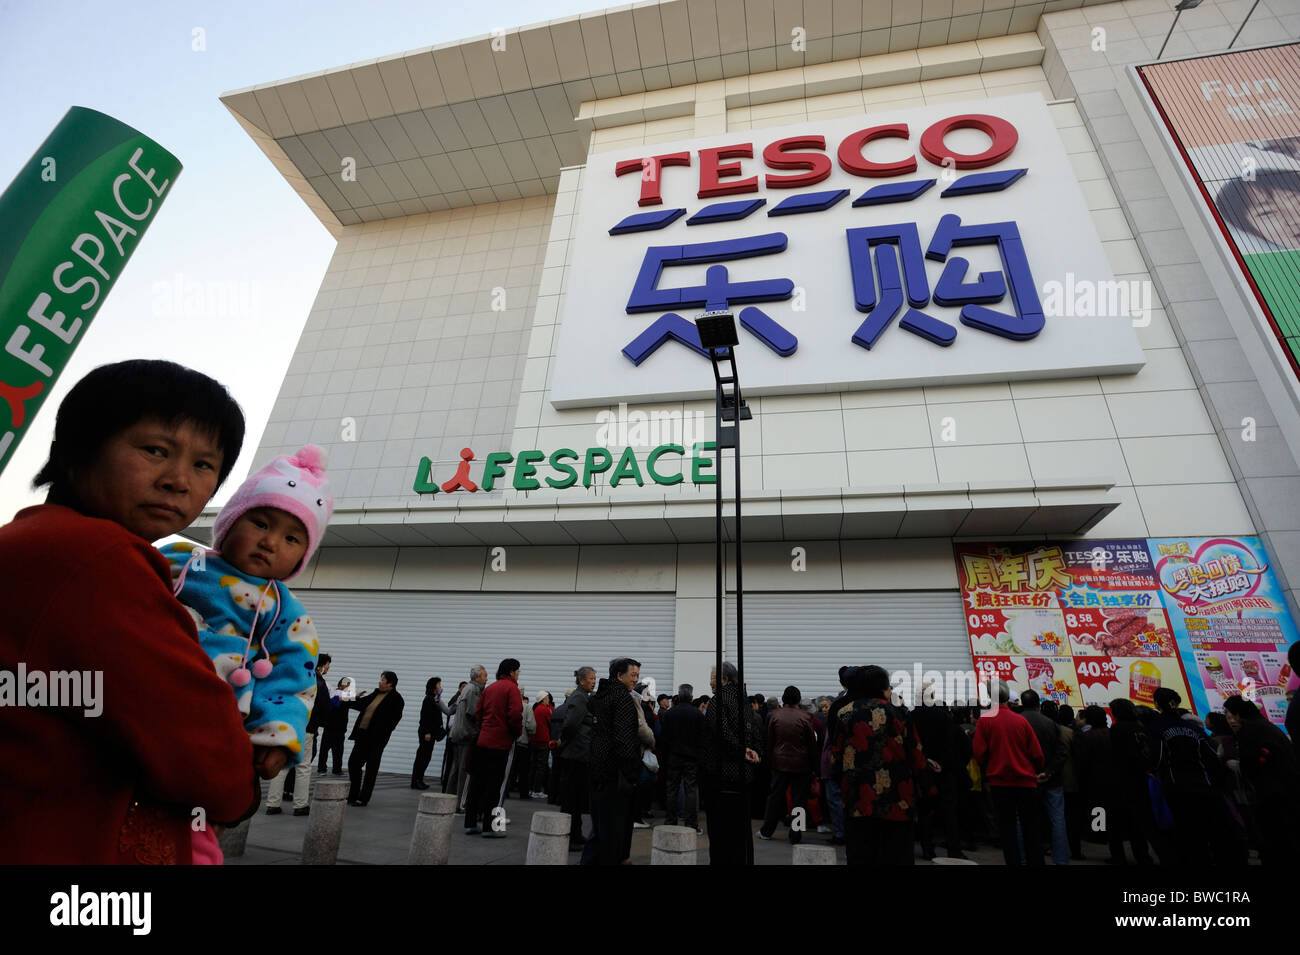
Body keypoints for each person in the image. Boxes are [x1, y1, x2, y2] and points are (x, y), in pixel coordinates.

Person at [0, 359, 257, 864]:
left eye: (205, 465)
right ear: (77, 450)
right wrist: (243, 784)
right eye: (155, 450)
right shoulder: (96, 556)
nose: (179, 480)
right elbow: (207, 758)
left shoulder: (32, 541)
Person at [160, 443, 334, 830]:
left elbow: (294, 679)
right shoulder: (183, 559)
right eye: (261, 523)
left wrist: (276, 737)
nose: (271, 542)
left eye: (292, 539)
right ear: (231, 520)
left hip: (219, 728)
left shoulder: (286, 612)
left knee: (195, 827)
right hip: (146, 702)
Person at [832, 666, 928, 865]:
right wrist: (924, 791)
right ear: (884, 688)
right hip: (898, 802)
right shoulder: (900, 713)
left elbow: (836, 757)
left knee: (861, 855)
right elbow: (917, 756)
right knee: (896, 855)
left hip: (858, 801)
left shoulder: (845, 713)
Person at [1149, 687, 1229, 864]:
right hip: (1203, 785)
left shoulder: (1157, 725)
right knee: (1202, 831)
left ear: (1155, 703)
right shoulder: (1192, 727)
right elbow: (1211, 755)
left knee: (1182, 830)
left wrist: (1153, 772)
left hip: (1176, 786)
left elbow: (1158, 757)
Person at [972, 681, 1044, 865]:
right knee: (1032, 828)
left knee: (1007, 828)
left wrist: (990, 764)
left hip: (999, 783)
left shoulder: (985, 721)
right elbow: (1037, 754)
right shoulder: (1021, 721)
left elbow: (979, 753)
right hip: (1026, 782)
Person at [699, 662, 762, 865]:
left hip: (721, 777)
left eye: (712, 677)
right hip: (744, 776)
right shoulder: (744, 700)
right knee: (740, 832)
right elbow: (753, 732)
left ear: (723, 679)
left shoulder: (719, 701)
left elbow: (721, 734)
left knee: (720, 833)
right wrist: (751, 751)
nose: (710, 682)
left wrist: (742, 751)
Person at [1224, 694, 1300, 865]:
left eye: (1232, 714)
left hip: (1272, 796)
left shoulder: (1250, 731)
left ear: (1239, 713)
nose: (1231, 720)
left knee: (1278, 843)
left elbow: (1253, 765)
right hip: (1286, 791)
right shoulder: (1266, 726)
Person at [583, 658, 643, 865]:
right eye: (632, 675)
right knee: (613, 834)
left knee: (599, 831)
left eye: (637, 675)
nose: (636, 680)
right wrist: (632, 773)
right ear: (619, 676)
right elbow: (624, 741)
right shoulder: (623, 699)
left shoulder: (600, 696)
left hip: (597, 769)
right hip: (615, 774)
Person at [464, 659, 523, 836]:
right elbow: (514, 714)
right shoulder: (511, 688)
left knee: (477, 782)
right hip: (500, 743)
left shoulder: (490, 688)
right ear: (512, 672)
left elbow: (478, 713)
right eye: (518, 671)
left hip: (482, 741)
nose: (518, 674)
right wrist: (515, 733)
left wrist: (486, 727)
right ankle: (489, 828)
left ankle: (470, 823)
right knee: (494, 784)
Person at [273, 653, 332, 815]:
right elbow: (325, 706)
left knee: (282, 766)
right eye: (327, 665)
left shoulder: (295, 678)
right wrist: (323, 721)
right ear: (320, 665)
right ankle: (300, 805)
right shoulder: (318, 682)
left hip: (288, 726)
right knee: (303, 767)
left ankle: (272, 803)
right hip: (307, 728)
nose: (328, 668)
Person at [757, 685, 818, 844]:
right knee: (799, 801)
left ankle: (767, 830)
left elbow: (769, 741)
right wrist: (813, 765)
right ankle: (796, 835)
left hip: (779, 764)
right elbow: (812, 744)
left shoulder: (775, 716)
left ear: (783, 699)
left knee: (774, 798)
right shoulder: (806, 717)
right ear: (798, 699)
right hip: (801, 765)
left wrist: (770, 761)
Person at [1017, 689, 1070, 865]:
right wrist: (1048, 772)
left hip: (1024, 779)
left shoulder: (1017, 723)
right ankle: (1061, 859)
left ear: (1022, 704)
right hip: (1051, 779)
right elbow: (1062, 752)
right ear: (1038, 704)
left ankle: (1022, 856)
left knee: (1020, 818)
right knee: (1057, 819)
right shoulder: (1051, 724)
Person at [344, 671, 405, 806]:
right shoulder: (376, 694)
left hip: (377, 740)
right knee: (353, 764)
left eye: (383, 680)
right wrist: (351, 698)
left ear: (390, 683)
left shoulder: (396, 699)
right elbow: (361, 704)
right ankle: (353, 794)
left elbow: (394, 720)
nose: (380, 682)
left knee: (371, 769)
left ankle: (363, 797)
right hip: (362, 736)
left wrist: (382, 732)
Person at [559, 666, 597, 851]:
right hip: (575, 754)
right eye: (591, 678)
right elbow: (571, 725)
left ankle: (576, 833)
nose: (594, 681)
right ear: (582, 680)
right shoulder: (579, 697)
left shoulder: (584, 697)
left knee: (576, 797)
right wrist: (564, 742)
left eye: (594, 678)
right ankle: (570, 836)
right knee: (571, 798)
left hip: (580, 754)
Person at [661, 683, 702, 831]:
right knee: (691, 789)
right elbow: (702, 737)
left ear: (678, 696)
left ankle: (670, 820)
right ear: (691, 697)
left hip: (673, 756)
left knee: (672, 789)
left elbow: (664, 738)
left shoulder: (669, 714)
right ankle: (691, 823)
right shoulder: (697, 714)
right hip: (691, 757)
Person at [447, 664, 487, 808]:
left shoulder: (466, 689)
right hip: (466, 735)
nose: (486, 679)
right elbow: (473, 713)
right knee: (464, 770)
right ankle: (459, 804)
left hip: (457, 734)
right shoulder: (473, 690)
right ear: (477, 677)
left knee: (455, 769)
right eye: (484, 676)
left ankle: (447, 800)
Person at [411, 677, 448, 789]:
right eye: (439, 685)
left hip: (431, 733)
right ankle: (416, 781)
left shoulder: (434, 699)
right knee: (422, 757)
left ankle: (419, 780)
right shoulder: (428, 699)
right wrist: (427, 732)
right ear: (433, 687)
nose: (440, 687)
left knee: (426, 757)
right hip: (427, 734)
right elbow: (425, 717)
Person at [319, 676, 354, 775]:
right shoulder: (334, 693)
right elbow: (336, 702)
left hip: (340, 728)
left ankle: (336, 769)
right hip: (330, 726)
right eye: (348, 685)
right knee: (325, 749)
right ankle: (322, 768)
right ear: (342, 685)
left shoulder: (347, 696)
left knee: (338, 750)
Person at [530, 692, 554, 799]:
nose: (548, 700)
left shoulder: (537, 709)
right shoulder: (545, 710)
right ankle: (537, 790)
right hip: (543, 741)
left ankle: (531, 789)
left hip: (535, 740)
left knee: (534, 765)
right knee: (541, 767)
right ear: (543, 699)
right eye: (547, 698)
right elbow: (551, 723)